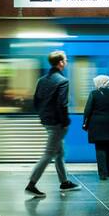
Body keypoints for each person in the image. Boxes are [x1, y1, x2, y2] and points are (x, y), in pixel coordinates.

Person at [25, 50, 81, 197]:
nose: (66, 62)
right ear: (61, 63)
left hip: (46, 121)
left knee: (59, 152)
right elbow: (62, 104)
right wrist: (65, 122)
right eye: (65, 60)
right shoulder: (63, 81)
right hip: (57, 123)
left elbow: (36, 101)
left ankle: (64, 182)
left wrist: (44, 115)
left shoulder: (42, 80)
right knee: (49, 153)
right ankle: (31, 184)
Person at [83, 74, 109, 179]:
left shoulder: (94, 93)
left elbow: (87, 110)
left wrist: (85, 123)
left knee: (100, 147)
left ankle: (103, 174)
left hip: (96, 124)